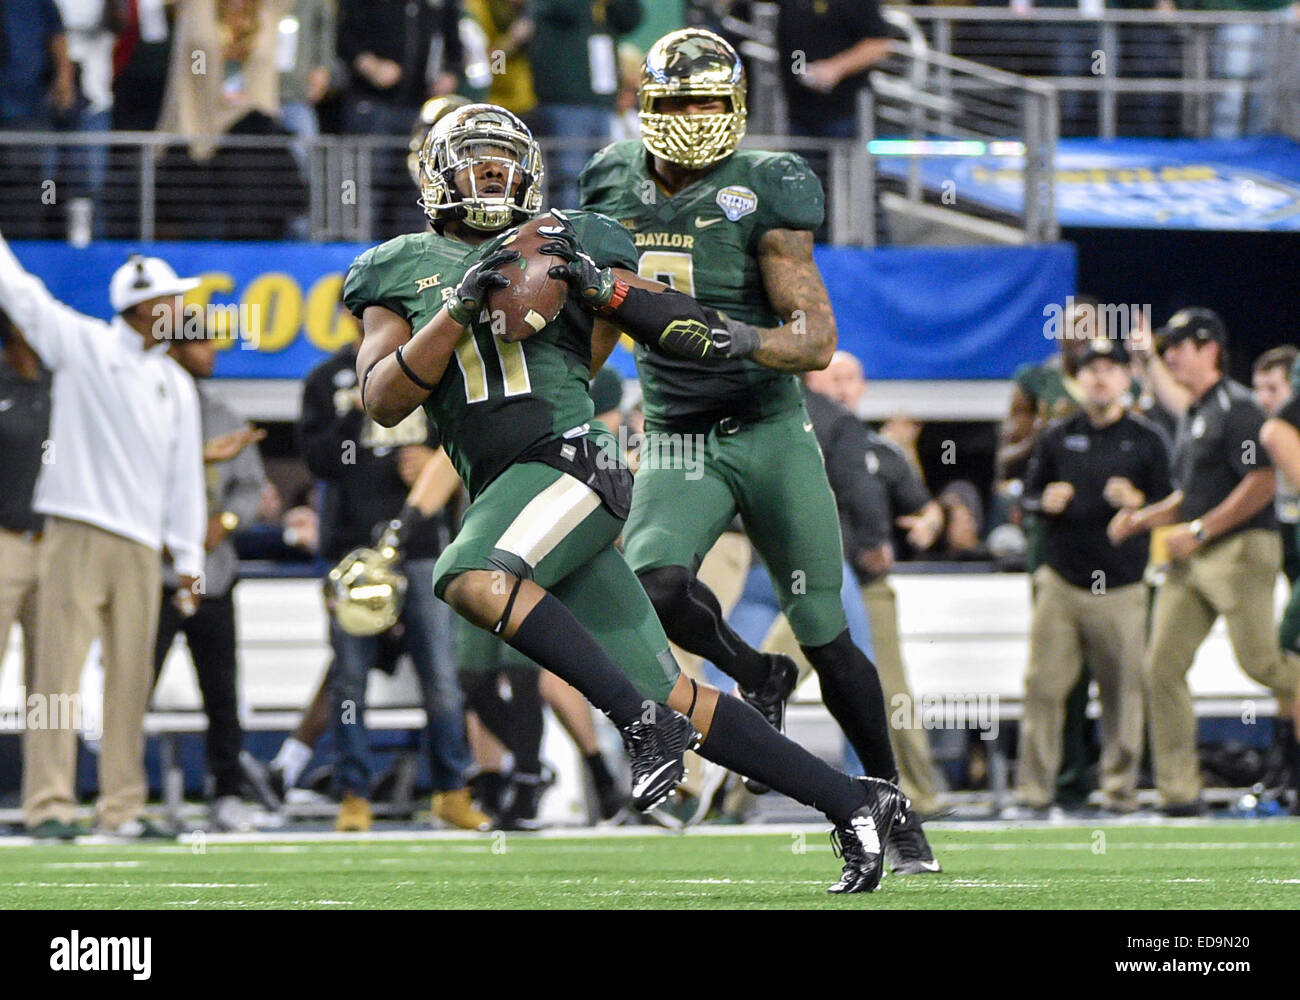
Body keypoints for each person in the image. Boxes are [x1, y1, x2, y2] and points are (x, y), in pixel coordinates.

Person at [347, 101, 907, 892]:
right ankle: (850, 803)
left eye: (505, 162)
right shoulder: (396, 266)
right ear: (437, 176)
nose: (492, 176)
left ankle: (641, 729)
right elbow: (381, 399)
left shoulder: (569, 238)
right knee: (674, 690)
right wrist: (460, 304)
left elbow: (671, 324)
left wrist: (599, 287)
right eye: (474, 160)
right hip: (508, 486)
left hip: (572, 462)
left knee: (467, 576)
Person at [578, 29, 935, 875]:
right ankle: (752, 673)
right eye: (678, 103)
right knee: (653, 583)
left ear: (736, 109)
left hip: (769, 430)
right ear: (646, 109)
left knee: (827, 631)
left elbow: (816, 339)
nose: (694, 119)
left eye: (709, 102)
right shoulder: (609, 180)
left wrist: (729, 337)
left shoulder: (765, 187)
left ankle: (891, 800)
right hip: (676, 434)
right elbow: (596, 315)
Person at [0, 242, 206, 839]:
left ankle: (121, 807)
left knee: (129, 681)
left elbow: (183, 479)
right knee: (56, 677)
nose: (179, 308)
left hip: (141, 547)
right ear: (143, 309)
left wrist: (188, 556)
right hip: (75, 531)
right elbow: (23, 297)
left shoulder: (175, 382)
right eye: (171, 299)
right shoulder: (85, 345)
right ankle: (49, 805)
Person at [1111, 308, 1300, 815]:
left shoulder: (1238, 407)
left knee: (1261, 662)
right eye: (1166, 348)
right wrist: (1144, 519)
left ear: (1209, 348)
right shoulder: (1197, 412)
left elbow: (1261, 483)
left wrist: (1198, 531)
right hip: (1194, 554)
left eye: (1179, 347)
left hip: (1240, 550)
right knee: (1161, 666)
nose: (1170, 356)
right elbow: (1191, 495)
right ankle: (1179, 792)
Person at [299, 328, 486, 833]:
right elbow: (316, 461)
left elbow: (471, 454)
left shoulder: (432, 370)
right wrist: (360, 404)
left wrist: (436, 469)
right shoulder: (327, 379)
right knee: (349, 681)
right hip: (354, 553)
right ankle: (353, 795)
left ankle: (451, 790)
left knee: (441, 679)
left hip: (423, 546)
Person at [1011, 338, 1173, 817]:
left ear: (1127, 378)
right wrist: (1043, 503)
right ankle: (1033, 795)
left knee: (1124, 693)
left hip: (1121, 584)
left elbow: (1173, 506)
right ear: (1077, 379)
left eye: (1111, 368)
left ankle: (1119, 793)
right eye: (1091, 369)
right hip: (1061, 581)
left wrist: (1139, 503)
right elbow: (1026, 497)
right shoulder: (1057, 436)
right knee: (1042, 687)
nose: (1100, 377)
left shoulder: (1147, 439)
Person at [804, 360, 948, 820]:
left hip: (867, 587)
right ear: (814, 380)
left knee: (892, 691)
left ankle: (918, 797)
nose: (844, 388)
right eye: (835, 378)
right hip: (811, 585)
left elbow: (926, 508)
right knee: (769, 679)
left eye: (852, 379)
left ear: (865, 386)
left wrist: (928, 522)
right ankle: (728, 793)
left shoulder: (883, 451)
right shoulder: (802, 433)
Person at [152, 338, 267, 833]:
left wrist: (223, 521)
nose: (212, 353)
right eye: (200, 343)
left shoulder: (224, 412)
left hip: (213, 573)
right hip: (154, 573)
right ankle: (123, 791)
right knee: (134, 687)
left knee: (221, 691)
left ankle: (227, 793)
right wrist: (162, 535)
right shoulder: (144, 406)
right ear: (174, 347)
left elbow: (250, 486)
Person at [337, 0, 463, 238]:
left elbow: (454, 45)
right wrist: (369, 64)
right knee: (365, 186)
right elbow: (343, 36)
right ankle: (360, 255)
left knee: (417, 189)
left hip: (421, 110)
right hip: (371, 105)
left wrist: (449, 74)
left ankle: (410, 259)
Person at [529, 0, 641, 210]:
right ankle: (566, 237)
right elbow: (564, 9)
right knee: (569, 179)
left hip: (602, 100)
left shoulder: (604, 12)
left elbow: (631, 17)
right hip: (566, 100)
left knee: (604, 179)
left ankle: (597, 235)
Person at [0, 311, 50, 696]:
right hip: (4, 540)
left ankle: (49, 759)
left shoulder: (64, 385)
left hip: (55, 545)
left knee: (52, 676)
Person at [0, 0, 77, 238]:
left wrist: (64, 78)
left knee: (37, 185)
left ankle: (29, 244)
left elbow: (56, 35)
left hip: (29, 105)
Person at [1261, 354, 1300, 811]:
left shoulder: (1278, 430)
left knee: (1291, 647)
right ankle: (1287, 771)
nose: (1267, 400)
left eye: (1277, 388)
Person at [1253, 346, 1300, 584]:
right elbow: (1247, 466)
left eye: (1272, 388)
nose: (1263, 398)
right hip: (1276, 537)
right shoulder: (1251, 436)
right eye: (1258, 388)